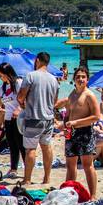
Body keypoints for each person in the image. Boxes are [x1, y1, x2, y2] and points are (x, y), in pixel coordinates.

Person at [58, 65, 102, 200]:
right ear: (74, 79)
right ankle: (68, 192)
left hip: (85, 132)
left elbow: (96, 116)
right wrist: (65, 125)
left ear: (87, 79)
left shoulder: (89, 95)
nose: (81, 79)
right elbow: (68, 114)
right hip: (72, 133)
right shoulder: (72, 94)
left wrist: (76, 123)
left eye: (83, 77)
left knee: (87, 165)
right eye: (78, 77)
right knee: (70, 165)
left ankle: (93, 196)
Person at [17, 51, 60, 185]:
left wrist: (22, 104)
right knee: (46, 147)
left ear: (37, 60)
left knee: (30, 149)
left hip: (33, 118)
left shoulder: (30, 76)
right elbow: (55, 101)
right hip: (48, 118)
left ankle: (27, 179)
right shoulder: (54, 79)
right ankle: (46, 178)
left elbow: (20, 96)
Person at [0, 64, 23, 178]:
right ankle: (13, 169)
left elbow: (26, 99)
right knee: (12, 145)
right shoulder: (2, 88)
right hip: (7, 119)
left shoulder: (18, 83)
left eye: (1, 75)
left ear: (8, 73)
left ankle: (28, 169)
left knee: (21, 145)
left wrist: (19, 109)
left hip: (19, 119)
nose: (0, 77)